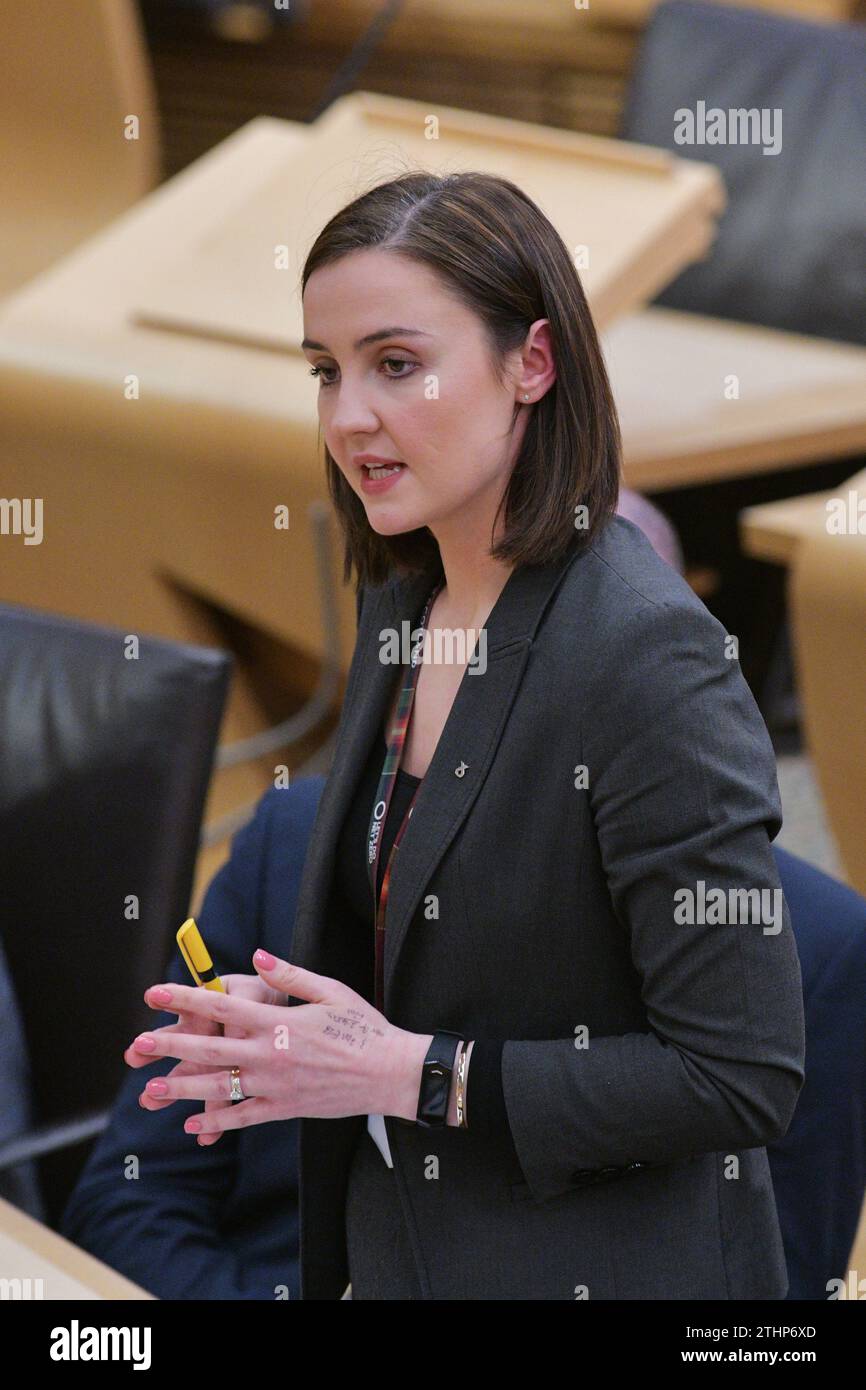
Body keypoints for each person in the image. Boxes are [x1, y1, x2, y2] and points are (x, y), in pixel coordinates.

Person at [119, 170, 805, 1300]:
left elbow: (735, 1075)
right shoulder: (409, 595)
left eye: (396, 364)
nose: (348, 417)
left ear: (530, 363)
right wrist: (299, 1034)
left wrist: (405, 1073)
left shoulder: (645, 659)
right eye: (325, 372)